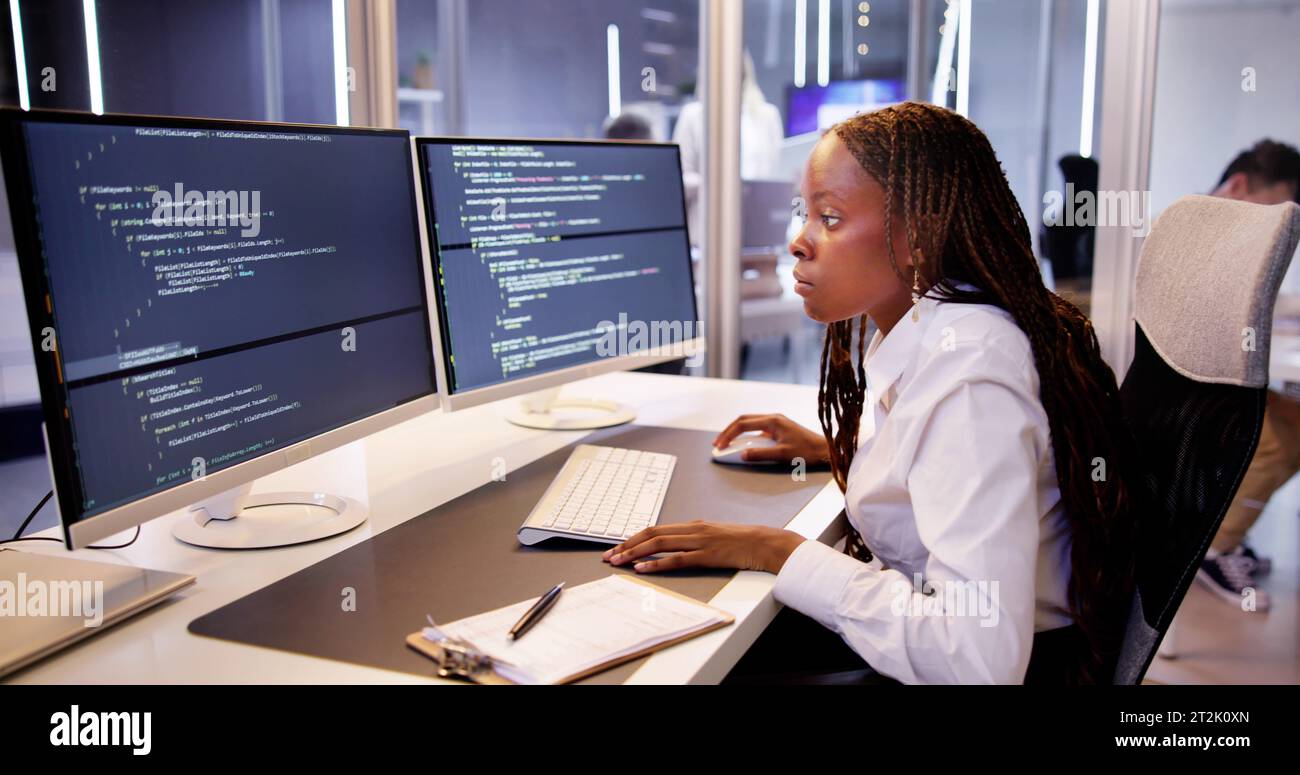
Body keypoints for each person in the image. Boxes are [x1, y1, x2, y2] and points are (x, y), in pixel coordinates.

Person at [601, 101, 1139, 684]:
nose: (798, 243)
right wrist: (839, 447)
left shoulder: (971, 376)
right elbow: (944, 462)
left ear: (918, 234)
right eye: (804, 215)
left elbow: (977, 662)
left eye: (829, 219)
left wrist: (776, 550)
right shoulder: (939, 329)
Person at [1197, 139, 1300, 612]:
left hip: (1214, 380)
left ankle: (1225, 534)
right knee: (1286, 432)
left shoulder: (1206, 229)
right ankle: (1214, 547)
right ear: (1239, 185)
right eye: (1273, 211)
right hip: (1194, 392)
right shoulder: (1198, 236)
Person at [672, 51, 785, 246]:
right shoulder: (693, 115)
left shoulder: (767, 115)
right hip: (709, 229)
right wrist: (718, 184)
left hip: (758, 227)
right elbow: (679, 177)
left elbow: (777, 172)